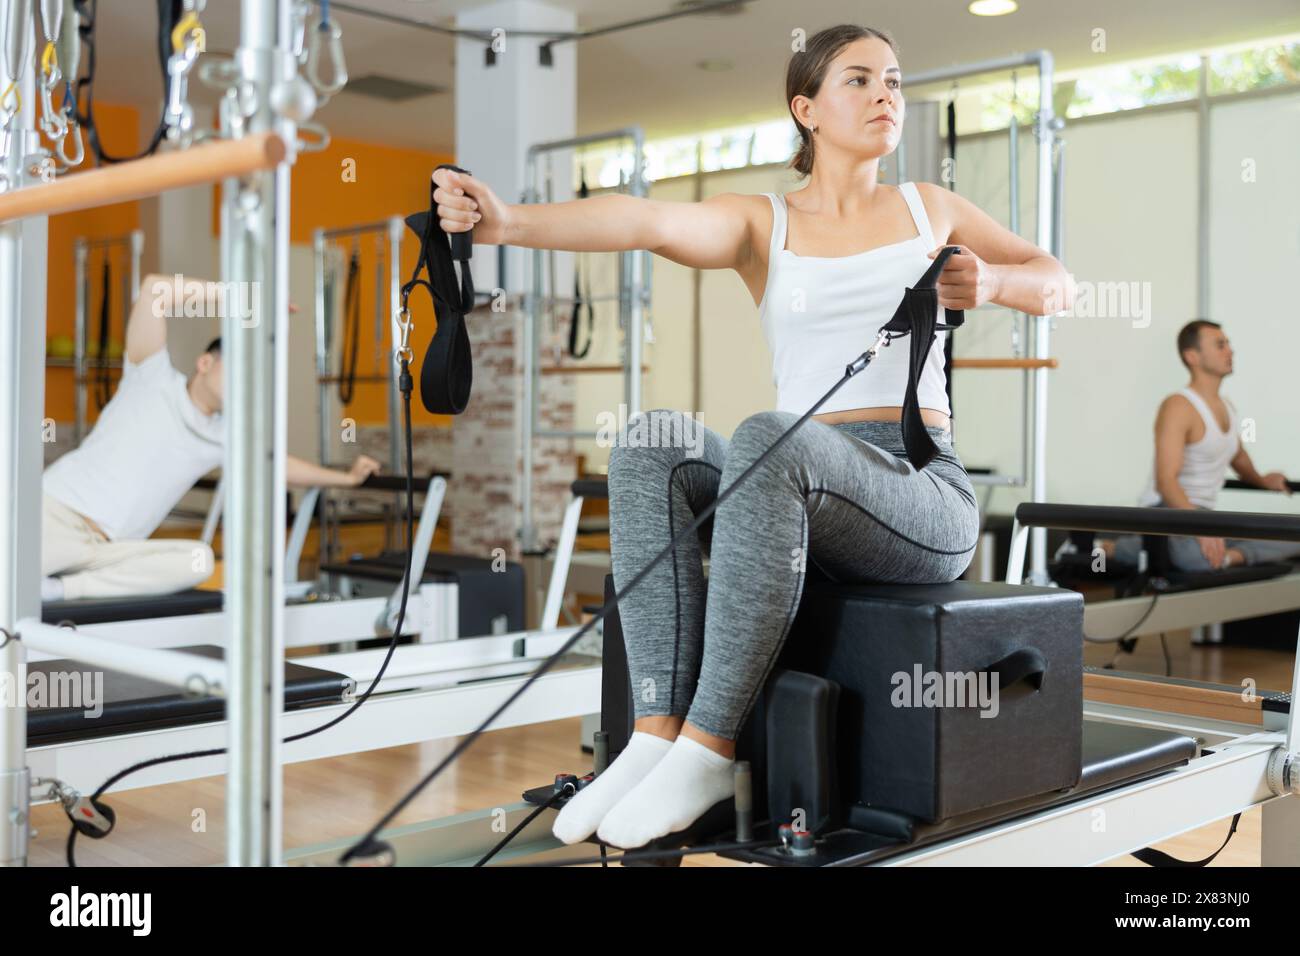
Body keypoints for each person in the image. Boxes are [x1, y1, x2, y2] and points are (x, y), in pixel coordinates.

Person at [432, 24, 1072, 849]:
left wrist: (995, 280)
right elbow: (645, 221)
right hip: (799, 482)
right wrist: (508, 223)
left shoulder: (931, 209)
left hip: (919, 496)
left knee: (774, 436)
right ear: (806, 108)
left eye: (895, 80)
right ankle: (655, 733)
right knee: (654, 439)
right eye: (859, 79)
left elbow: (1059, 283)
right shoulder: (762, 223)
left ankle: (708, 748)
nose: (886, 94)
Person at [42, 274, 381, 602]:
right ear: (205, 362)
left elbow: (279, 466)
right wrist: (249, 298)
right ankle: (43, 581)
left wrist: (347, 478)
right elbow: (153, 290)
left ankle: (60, 591)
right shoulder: (151, 377)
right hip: (56, 516)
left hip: (109, 550)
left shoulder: (225, 436)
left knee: (199, 560)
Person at [1105, 319, 1296, 572]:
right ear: (1192, 356)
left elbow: (1238, 456)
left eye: (1228, 344)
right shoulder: (1178, 406)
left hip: (1206, 516)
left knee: (1293, 534)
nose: (1230, 351)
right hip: (1168, 513)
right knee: (1193, 558)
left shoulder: (1227, 406)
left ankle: (1229, 556)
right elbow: (1166, 482)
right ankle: (1105, 548)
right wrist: (1199, 526)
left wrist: (1263, 480)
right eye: (1220, 345)